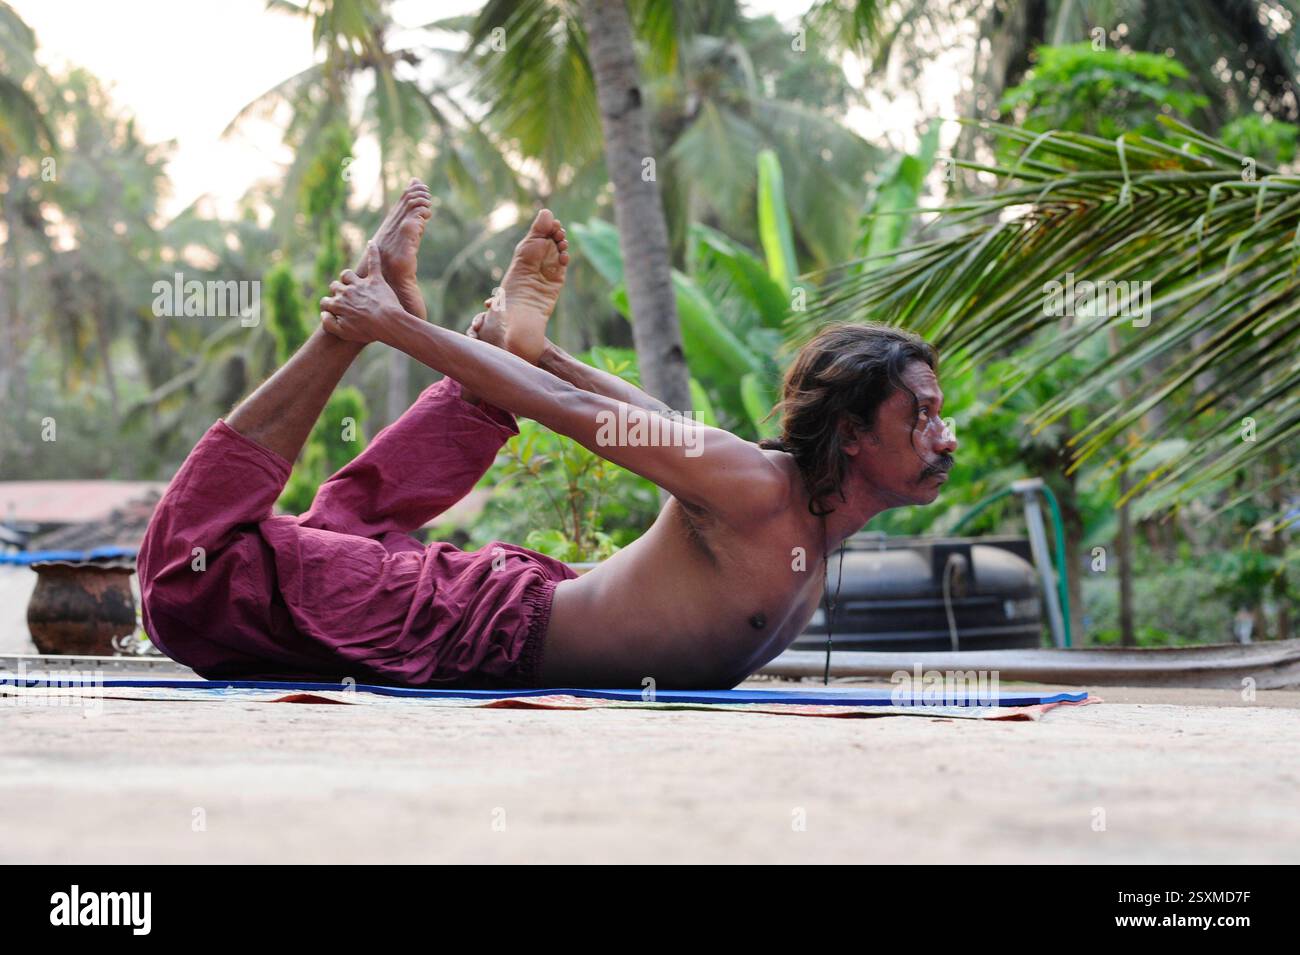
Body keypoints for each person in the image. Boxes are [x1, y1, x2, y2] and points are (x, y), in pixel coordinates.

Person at [138, 180, 957, 690]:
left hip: (503, 614)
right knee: (189, 582)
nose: (943, 436)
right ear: (851, 434)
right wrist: (384, 327)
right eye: (921, 414)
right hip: (473, 625)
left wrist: (547, 351)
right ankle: (344, 329)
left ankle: (465, 335)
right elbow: (570, 414)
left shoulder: (788, 511)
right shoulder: (756, 489)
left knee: (332, 542)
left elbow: (655, 425)